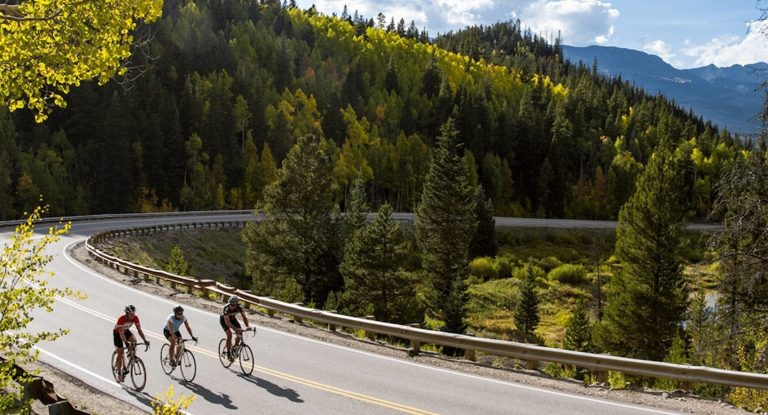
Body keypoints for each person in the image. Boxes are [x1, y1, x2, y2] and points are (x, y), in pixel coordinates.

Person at [113, 304, 149, 381]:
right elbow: (121, 334)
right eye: (131, 314)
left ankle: (130, 356)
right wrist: (126, 343)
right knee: (120, 351)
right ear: (127, 313)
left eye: (133, 313)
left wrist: (145, 340)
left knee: (134, 341)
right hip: (118, 334)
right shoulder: (121, 319)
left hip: (126, 331)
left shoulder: (135, 318)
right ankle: (119, 372)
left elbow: (139, 330)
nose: (133, 315)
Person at [219, 295, 250, 359]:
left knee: (240, 332)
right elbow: (227, 322)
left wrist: (247, 326)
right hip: (224, 320)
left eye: (233, 305)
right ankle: (228, 353)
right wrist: (235, 329)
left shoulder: (240, 307)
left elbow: (244, 317)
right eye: (231, 305)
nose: (231, 306)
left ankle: (235, 347)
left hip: (233, 319)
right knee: (229, 335)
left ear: (236, 304)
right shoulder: (226, 308)